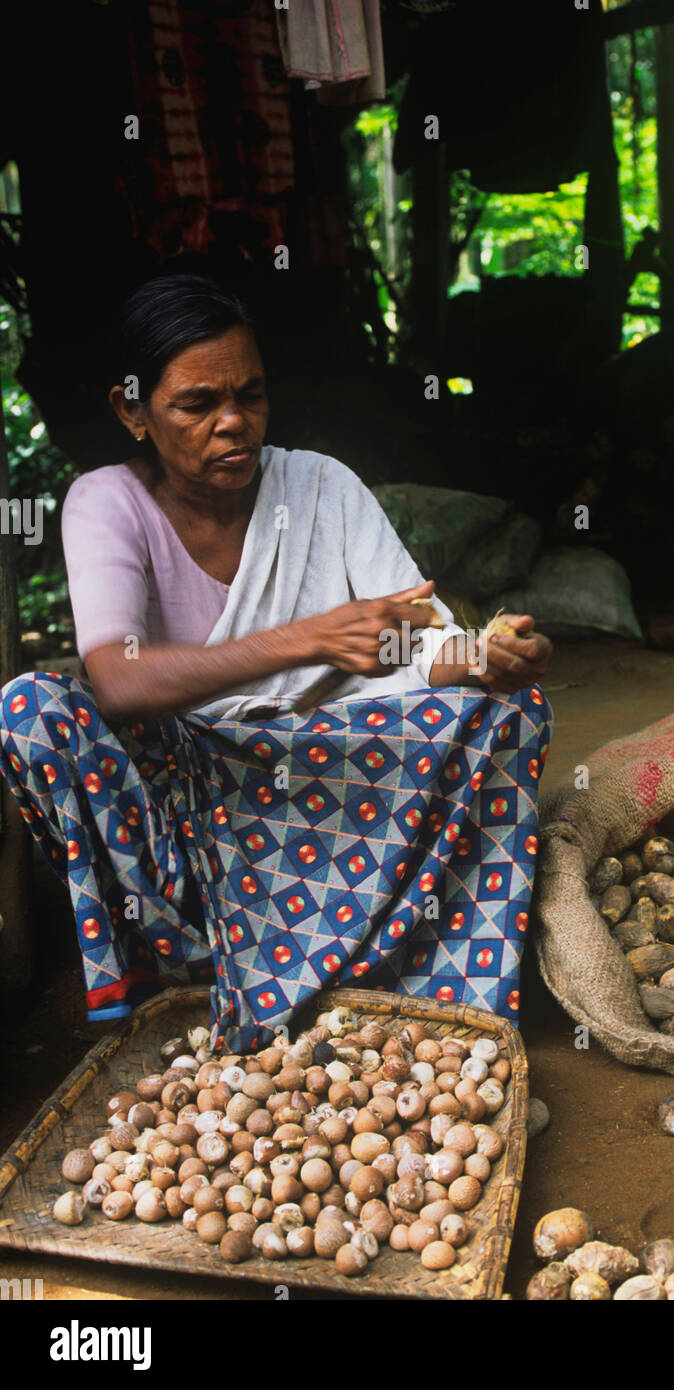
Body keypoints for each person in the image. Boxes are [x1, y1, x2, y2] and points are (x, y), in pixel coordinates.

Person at [0, 275, 553, 1050]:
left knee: (510, 712)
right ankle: (170, 960)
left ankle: (422, 981)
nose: (234, 424)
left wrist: (483, 656)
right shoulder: (106, 502)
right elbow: (118, 682)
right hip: (188, 794)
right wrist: (310, 637)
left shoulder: (318, 485)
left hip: (325, 771)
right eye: (198, 405)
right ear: (132, 411)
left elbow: (406, 639)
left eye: (251, 396)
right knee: (31, 709)